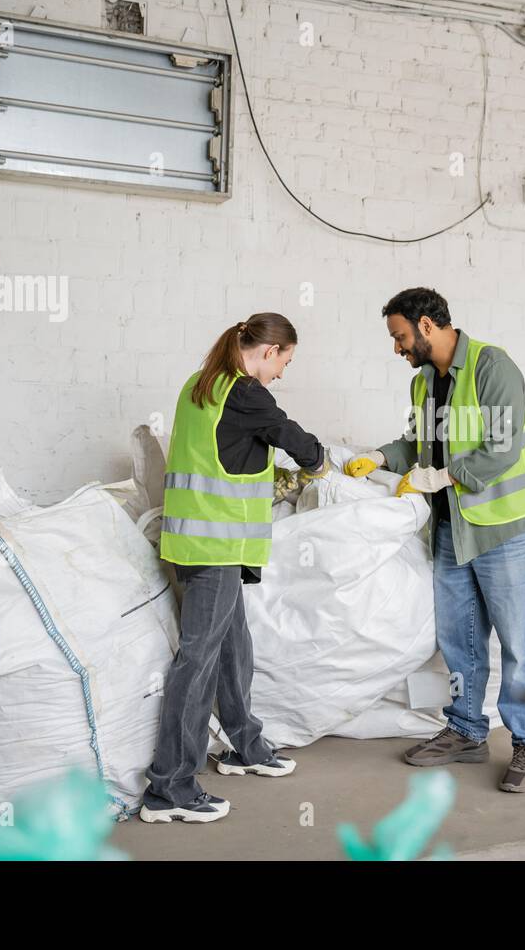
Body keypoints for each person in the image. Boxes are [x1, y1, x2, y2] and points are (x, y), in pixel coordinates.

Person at [346, 288, 525, 792]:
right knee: (459, 640)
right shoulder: (424, 383)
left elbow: (500, 449)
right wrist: (379, 456)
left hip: (504, 527)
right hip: (452, 529)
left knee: (520, 644)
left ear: (427, 325)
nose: (397, 348)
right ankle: (466, 731)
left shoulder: (491, 366)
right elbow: (418, 443)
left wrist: (439, 479)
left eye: (399, 337)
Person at [140, 313, 329, 824]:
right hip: (215, 545)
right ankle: (170, 786)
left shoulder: (202, 384)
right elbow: (293, 438)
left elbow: (228, 452)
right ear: (268, 351)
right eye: (284, 361)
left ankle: (245, 745)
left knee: (232, 644)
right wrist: (321, 464)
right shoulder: (246, 393)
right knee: (197, 660)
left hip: (196, 541)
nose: (282, 373)